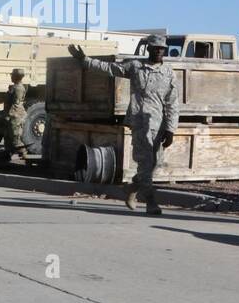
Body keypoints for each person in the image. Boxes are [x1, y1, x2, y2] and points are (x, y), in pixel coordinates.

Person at [69, 35, 178, 216]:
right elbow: (110, 68)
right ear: (149, 49)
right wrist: (85, 60)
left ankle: (131, 189)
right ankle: (150, 201)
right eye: (156, 48)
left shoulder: (168, 72)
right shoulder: (135, 67)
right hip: (140, 123)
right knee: (145, 163)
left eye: (162, 49)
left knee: (155, 163)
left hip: (158, 125)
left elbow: (172, 102)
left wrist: (170, 128)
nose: (159, 51)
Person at [3, 68, 29, 161]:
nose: (11, 76)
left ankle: (23, 153)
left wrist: (8, 115)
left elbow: (16, 104)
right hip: (12, 115)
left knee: (15, 137)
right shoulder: (15, 87)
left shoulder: (18, 88)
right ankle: (7, 155)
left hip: (15, 116)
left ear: (16, 77)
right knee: (8, 137)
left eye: (12, 75)